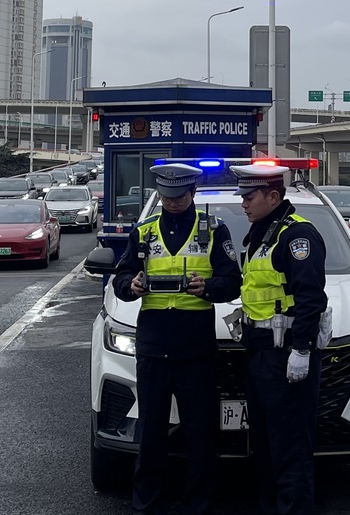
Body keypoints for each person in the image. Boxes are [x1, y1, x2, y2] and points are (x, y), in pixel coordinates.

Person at [111, 163, 241, 515]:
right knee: (151, 428)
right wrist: (132, 286)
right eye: (166, 197)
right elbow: (120, 276)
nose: (171, 203)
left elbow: (232, 281)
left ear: (193, 193)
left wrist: (207, 288)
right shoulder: (144, 231)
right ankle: (149, 498)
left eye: (179, 196)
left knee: (200, 431)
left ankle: (200, 500)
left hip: (195, 345)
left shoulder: (215, 230)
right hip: (153, 343)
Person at [231, 163, 328, 515]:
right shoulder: (262, 234)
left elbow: (310, 298)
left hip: (287, 356)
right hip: (260, 355)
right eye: (243, 196)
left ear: (273, 196)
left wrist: (301, 349)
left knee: (290, 449)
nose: (244, 203)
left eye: (249, 196)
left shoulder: (296, 236)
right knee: (265, 446)